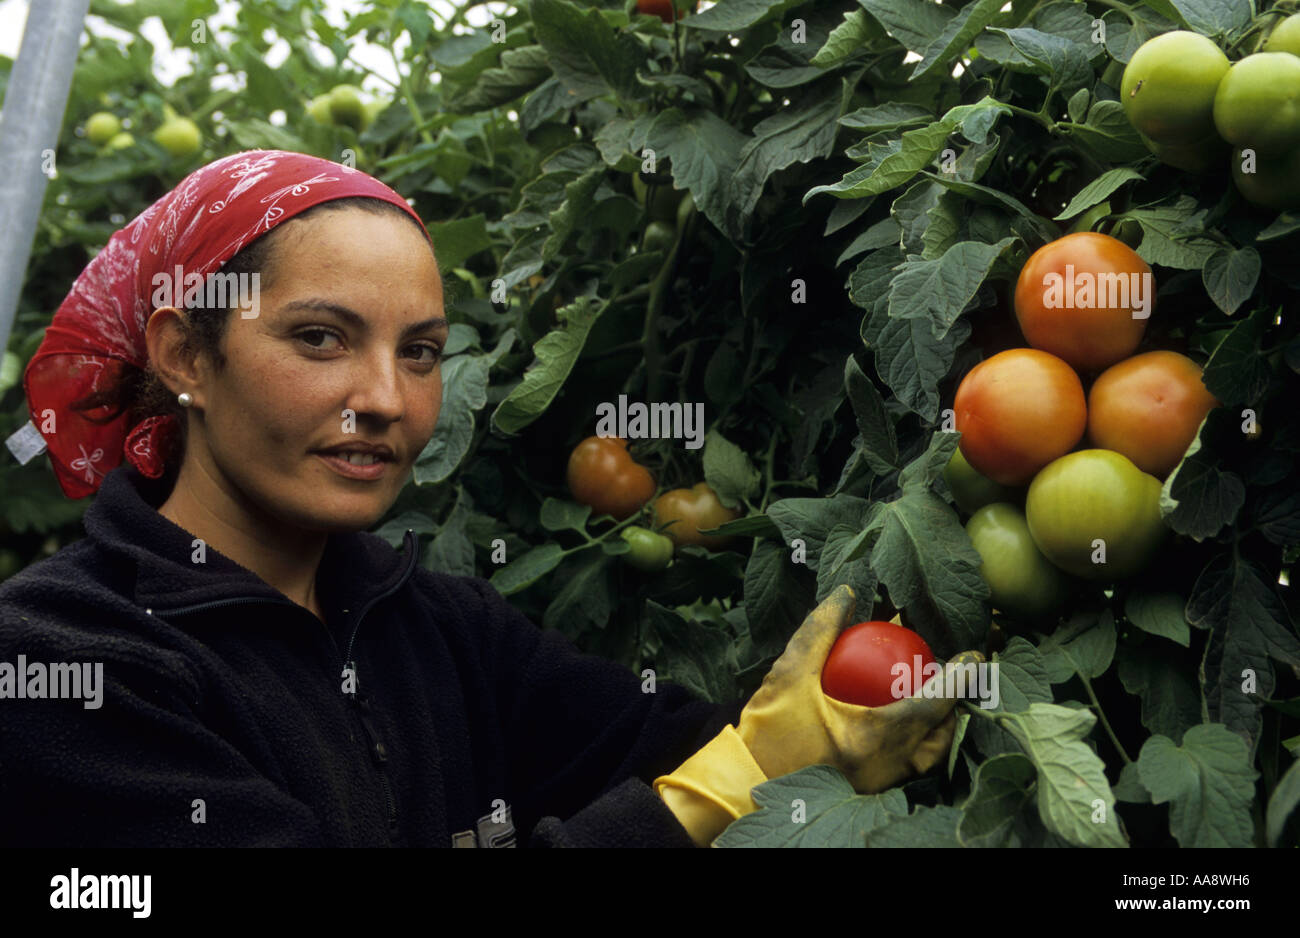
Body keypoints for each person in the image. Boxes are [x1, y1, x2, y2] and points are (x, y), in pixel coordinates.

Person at [0, 150, 977, 847]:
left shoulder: (436, 623)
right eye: (320, 338)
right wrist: (708, 798)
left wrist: (888, 661)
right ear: (185, 355)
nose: (385, 400)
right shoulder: (65, 659)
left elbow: (668, 738)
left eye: (419, 351)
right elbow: (710, 776)